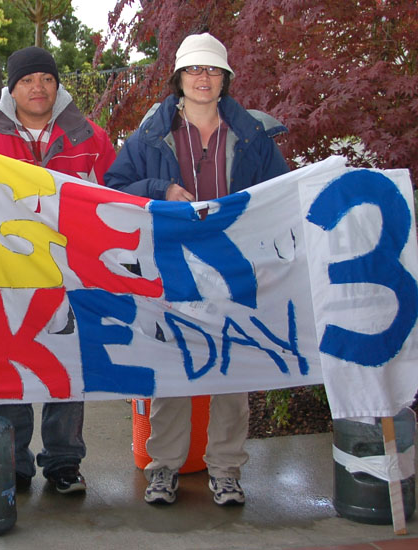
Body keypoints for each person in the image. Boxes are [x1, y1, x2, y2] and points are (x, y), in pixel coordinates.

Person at [104, 32, 290, 506]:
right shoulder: (149, 135)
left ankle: (226, 469)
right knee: (173, 365)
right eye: (194, 70)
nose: (203, 78)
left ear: (224, 79)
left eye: (211, 70)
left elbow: (283, 192)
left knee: (235, 369)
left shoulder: (252, 134)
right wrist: (160, 188)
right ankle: (163, 466)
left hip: (234, 266)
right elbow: (115, 186)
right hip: (173, 267)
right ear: (179, 78)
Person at [0, 46, 116, 494]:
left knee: (67, 368)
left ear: (57, 85)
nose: (38, 87)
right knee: (10, 368)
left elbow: (119, 198)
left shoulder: (90, 138)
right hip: (6, 277)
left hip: (72, 276)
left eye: (46, 79)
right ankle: (13, 462)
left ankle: (64, 462)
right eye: (28, 80)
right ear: (12, 89)